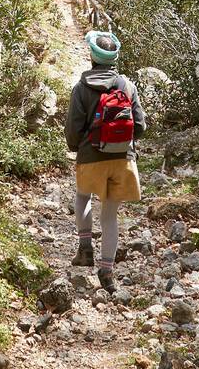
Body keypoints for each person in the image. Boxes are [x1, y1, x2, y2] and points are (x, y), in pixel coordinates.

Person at [63, 30, 147, 292]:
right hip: (122, 159)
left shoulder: (80, 88)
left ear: (92, 55)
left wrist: (78, 148)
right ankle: (107, 272)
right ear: (114, 58)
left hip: (91, 156)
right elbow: (141, 126)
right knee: (110, 216)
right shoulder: (127, 86)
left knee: (82, 196)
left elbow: (73, 129)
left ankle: (85, 247)